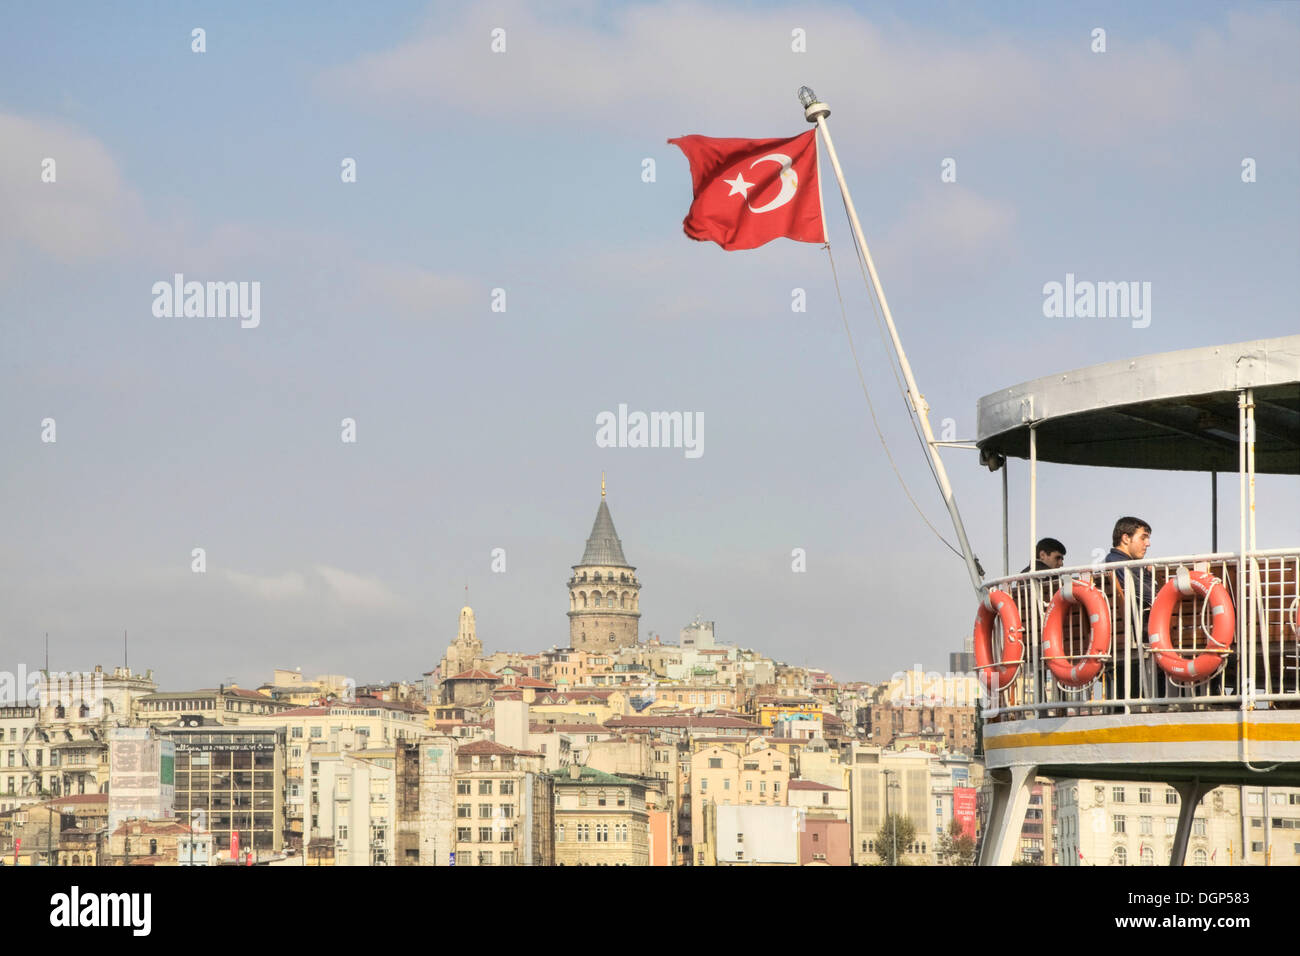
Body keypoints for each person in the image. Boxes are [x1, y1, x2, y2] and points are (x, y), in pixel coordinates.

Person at [1104, 516, 1161, 701]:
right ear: (1126, 538)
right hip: (1141, 631)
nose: (1148, 543)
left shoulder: (1124, 564)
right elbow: (1150, 596)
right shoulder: (1120, 564)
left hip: (1133, 631)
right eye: (1143, 537)